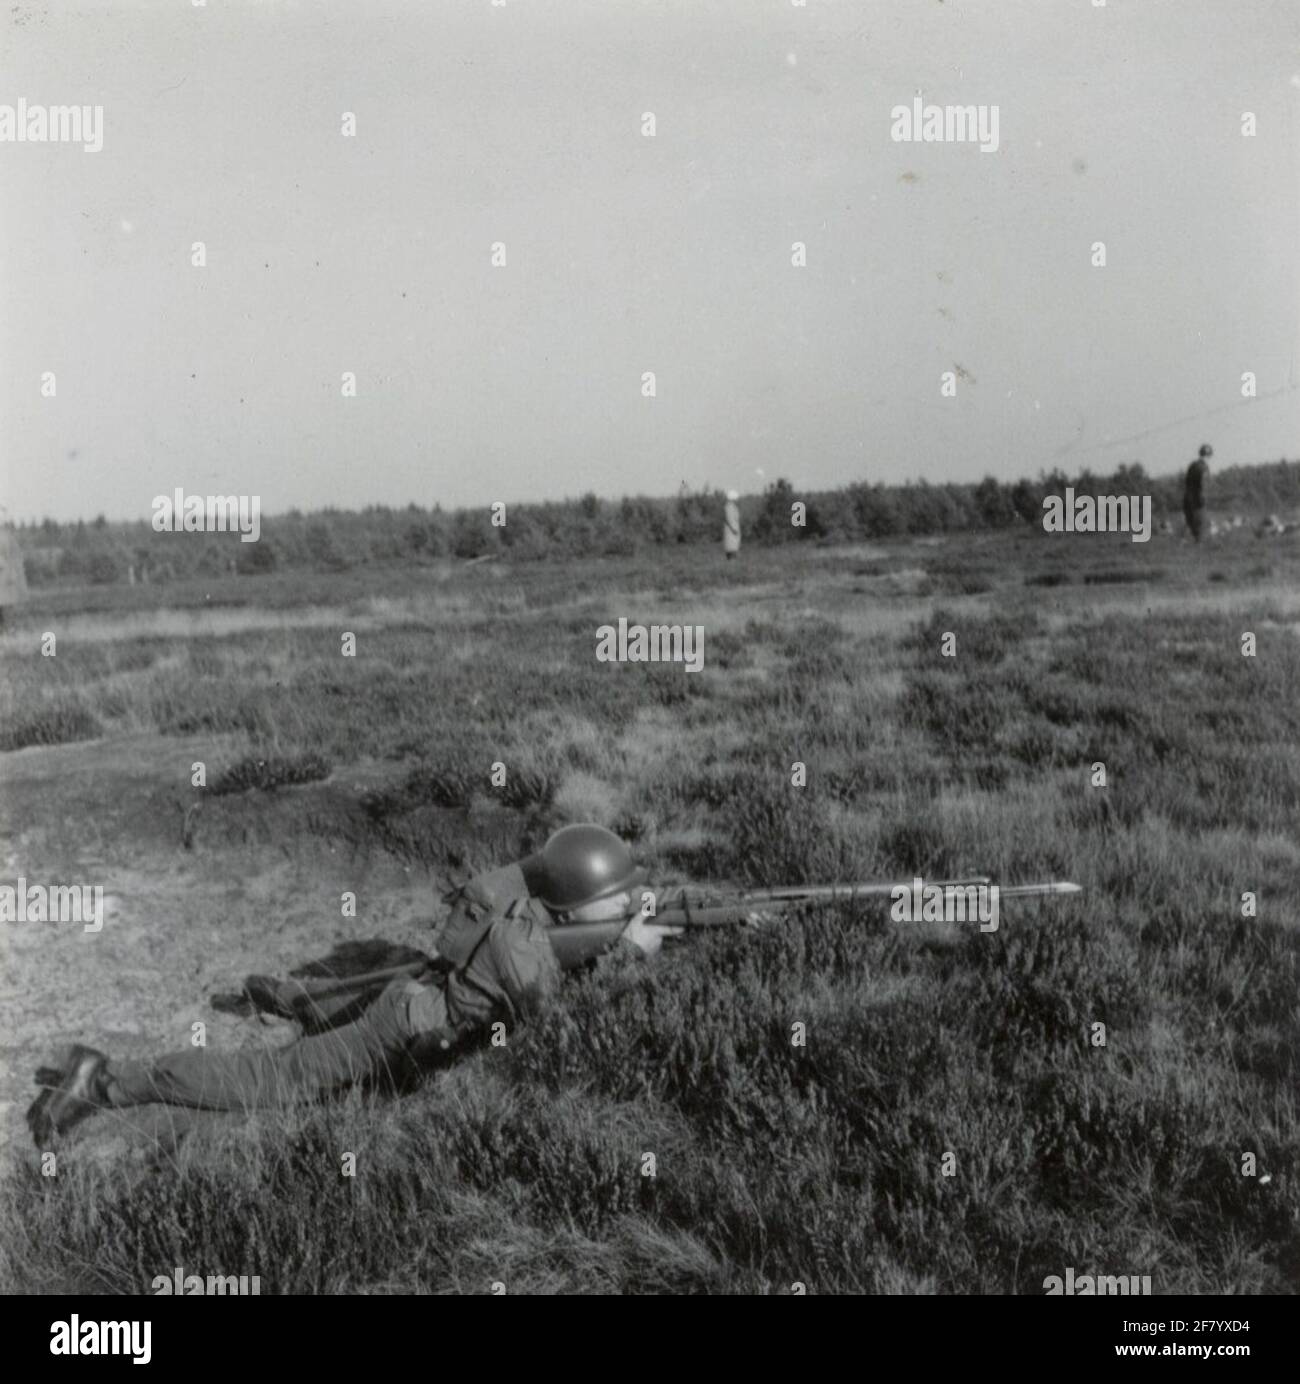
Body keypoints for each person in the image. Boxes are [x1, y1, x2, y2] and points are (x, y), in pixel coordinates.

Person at [26, 825, 678, 1147]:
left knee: (357, 993)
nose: (631, 904)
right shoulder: (522, 949)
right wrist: (628, 952)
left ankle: (282, 996)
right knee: (270, 1081)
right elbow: (570, 1021)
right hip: (400, 1034)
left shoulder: (534, 915)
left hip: (417, 996)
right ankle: (108, 1078)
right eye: (615, 901)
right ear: (568, 909)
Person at [1183, 444, 1211, 541]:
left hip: (1188, 499)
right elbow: (1203, 483)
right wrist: (1203, 498)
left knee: (1191, 525)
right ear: (1208, 456)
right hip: (1198, 500)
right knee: (1201, 525)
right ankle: (1199, 544)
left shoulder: (1192, 465)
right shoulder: (1204, 467)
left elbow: (1186, 482)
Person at [723, 490, 741, 560]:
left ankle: (732, 560)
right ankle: (731, 560)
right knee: (731, 547)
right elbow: (729, 519)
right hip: (731, 530)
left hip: (733, 530)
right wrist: (734, 528)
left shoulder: (733, 506)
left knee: (733, 546)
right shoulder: (729, 507)